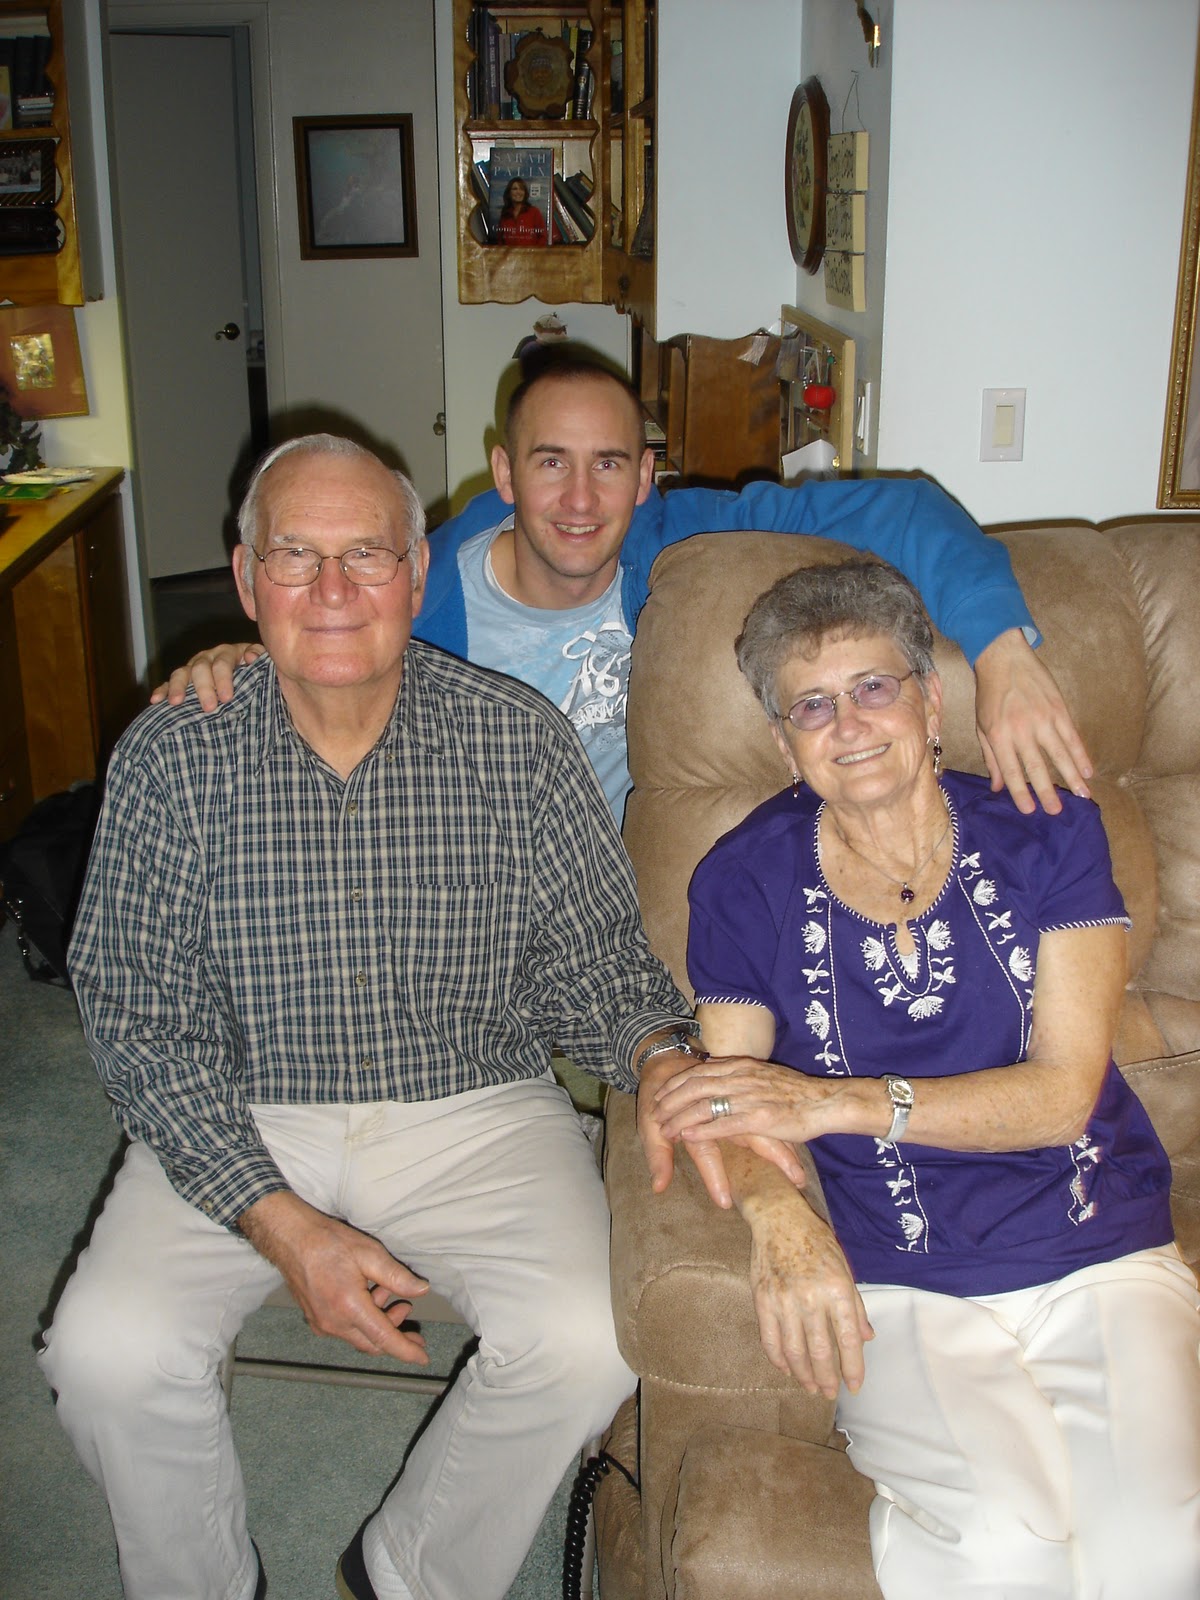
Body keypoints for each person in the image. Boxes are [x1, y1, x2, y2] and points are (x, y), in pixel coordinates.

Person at [39, 434, 723, 1600]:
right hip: (240, 1105)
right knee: (102, 1355)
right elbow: (141, 1024)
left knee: (589, 1339)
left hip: (475, 1105)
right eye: (296, 557)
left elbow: (595, 960)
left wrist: (661, 1055)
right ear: (246, 581)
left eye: (366, 554)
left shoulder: (517, 742)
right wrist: (283, 1226)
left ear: (419, 571)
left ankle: (410, 1573)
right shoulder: (169, 758)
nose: (334, 590)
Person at [647, 558, 1200, 1599]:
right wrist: (777, 1210)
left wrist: (836, 1103)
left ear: (932, 700)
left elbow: (1061, 1093)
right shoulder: (740, 878)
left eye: (875, 686)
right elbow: (727, 1091)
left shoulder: (1050, 829)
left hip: (1098, 1248)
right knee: (1003, 1540)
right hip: (901, 1279)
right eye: (810, 704)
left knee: (1162, 1546)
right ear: (781, 742)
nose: (848, 723)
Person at [156, 353, 1092, 823]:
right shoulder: (423, 585)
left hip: (628, 892)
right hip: (480, 894)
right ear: (504, 473)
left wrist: (1004, 650)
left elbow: (907, 514)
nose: (577, 499)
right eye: (549, 463)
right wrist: (239, 658)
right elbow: (319, 618)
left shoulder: (672, 536)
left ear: (646, 477)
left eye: (608, 464)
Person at [495, 176, 548, 246]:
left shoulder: (534, 212)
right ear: (509, 193)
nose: (518, 192)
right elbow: (500, 240)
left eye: (522, 189)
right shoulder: (505, 214)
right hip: (509, 256)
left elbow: (543, 237)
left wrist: (534, 254)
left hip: (530, 255)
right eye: (515, 189)